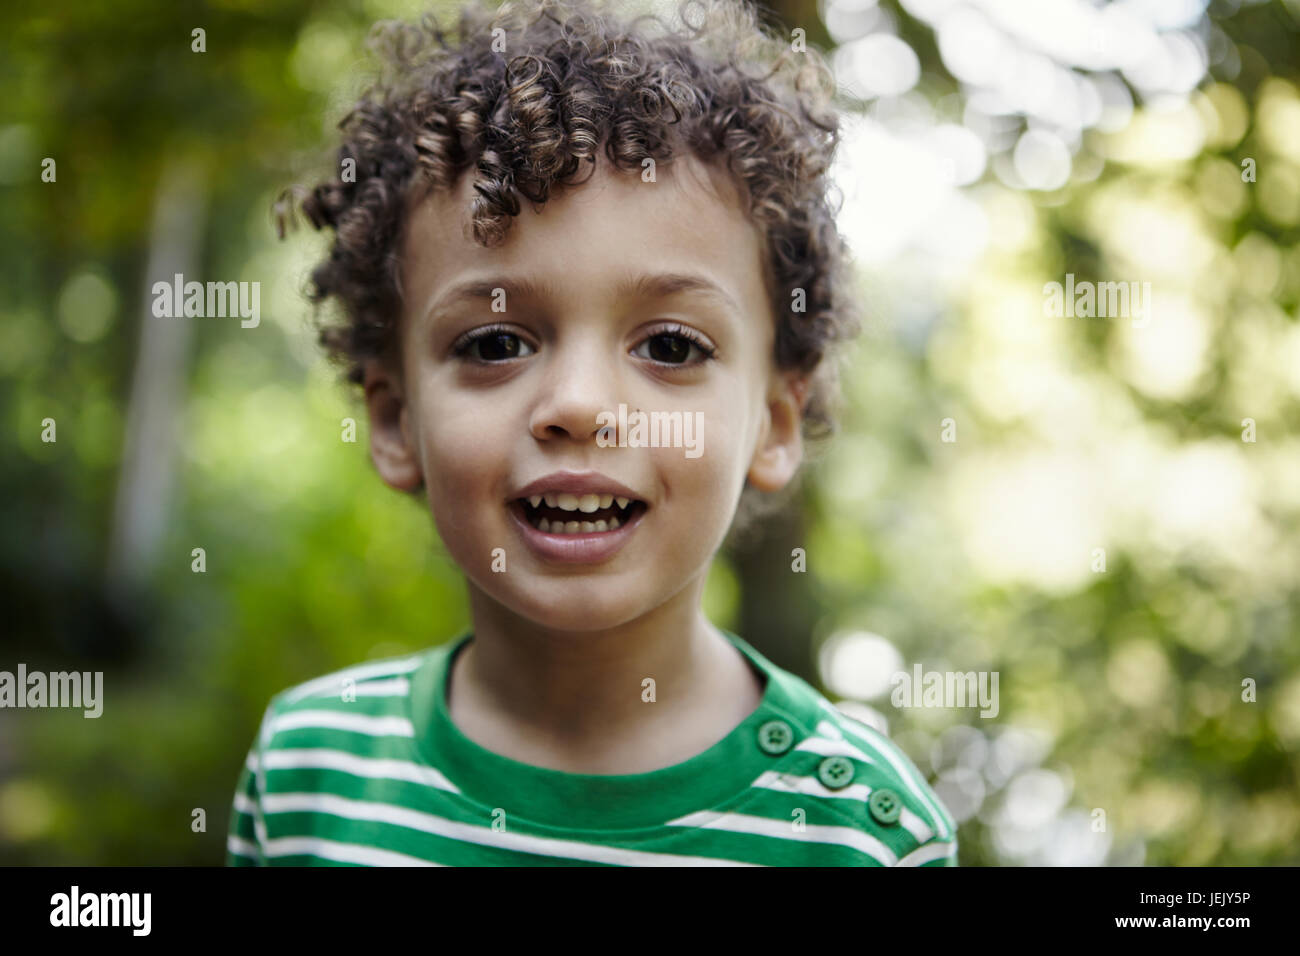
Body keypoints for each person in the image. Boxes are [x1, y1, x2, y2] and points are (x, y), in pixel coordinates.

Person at [226, 0, 957, 866]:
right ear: (395, 421)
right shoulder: (309, 766)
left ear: (772, 426)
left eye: (671, 345)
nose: (579, 405)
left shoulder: (864, 832)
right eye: (496, 342)